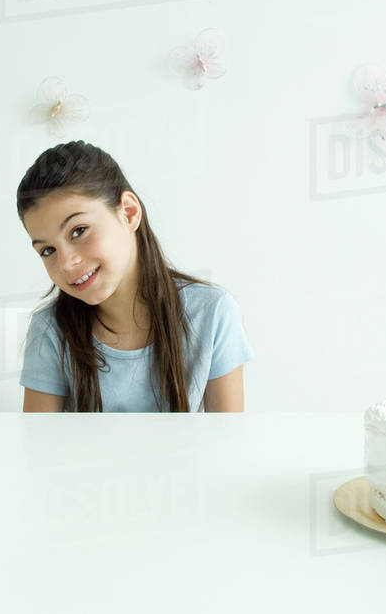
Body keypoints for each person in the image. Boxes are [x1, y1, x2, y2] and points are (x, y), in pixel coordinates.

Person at [16, 140, 253, 412]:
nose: (67, 263)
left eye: (79, 231)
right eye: (48, 250)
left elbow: (227, 445)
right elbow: (41, 450)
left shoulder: (212, 314)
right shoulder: (50, 330)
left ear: (128, 213)